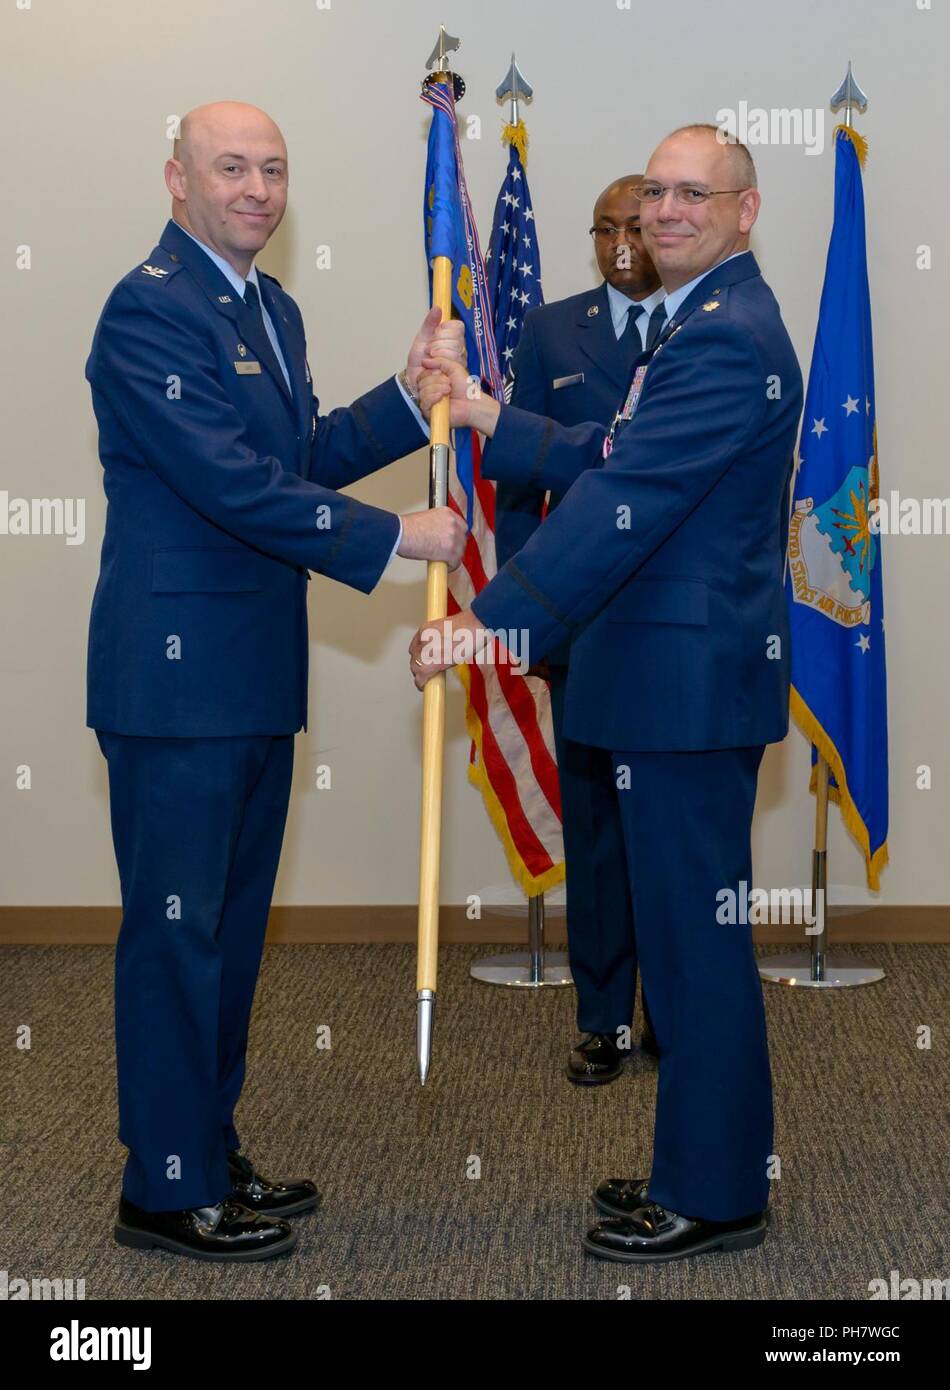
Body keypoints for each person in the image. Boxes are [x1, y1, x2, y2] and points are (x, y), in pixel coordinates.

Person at [410, 124, 803, 1263]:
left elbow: (630, 489)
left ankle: (718, 1192)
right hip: (665, 685)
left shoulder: (725, 336)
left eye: (694, 195)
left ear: (745, 208)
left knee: (690, 949)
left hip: (680, 693)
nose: (666, 213)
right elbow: (619, 448)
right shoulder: (703, 322)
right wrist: (492, 419)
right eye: (655, 196)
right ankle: (697, 1163)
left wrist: (485, 625)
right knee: (684, 944)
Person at [86, 101, 465, 1262]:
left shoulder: (269, 307)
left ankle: (204, 1144)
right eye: (232, 167)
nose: (257, 188)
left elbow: (291, 456)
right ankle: (162, 1189)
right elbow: (232, 486)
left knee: (230, 934)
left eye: (273, 169)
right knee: (174, 933)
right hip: (175, 684)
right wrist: (397, 538)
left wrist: (405, 398)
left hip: (251, 677)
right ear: (177, 179)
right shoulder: (148, 310)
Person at [495, 175, 665, 1085]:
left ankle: (670, 1013)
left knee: (675, 829)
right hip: (582, 620)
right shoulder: (552, 329)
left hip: (673, 623)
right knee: (596, 827)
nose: (622, 243)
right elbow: (518, 477)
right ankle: (602, 1017)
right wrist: (526, 609)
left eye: (637, 225)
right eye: (605, 228)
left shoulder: (698, 321)